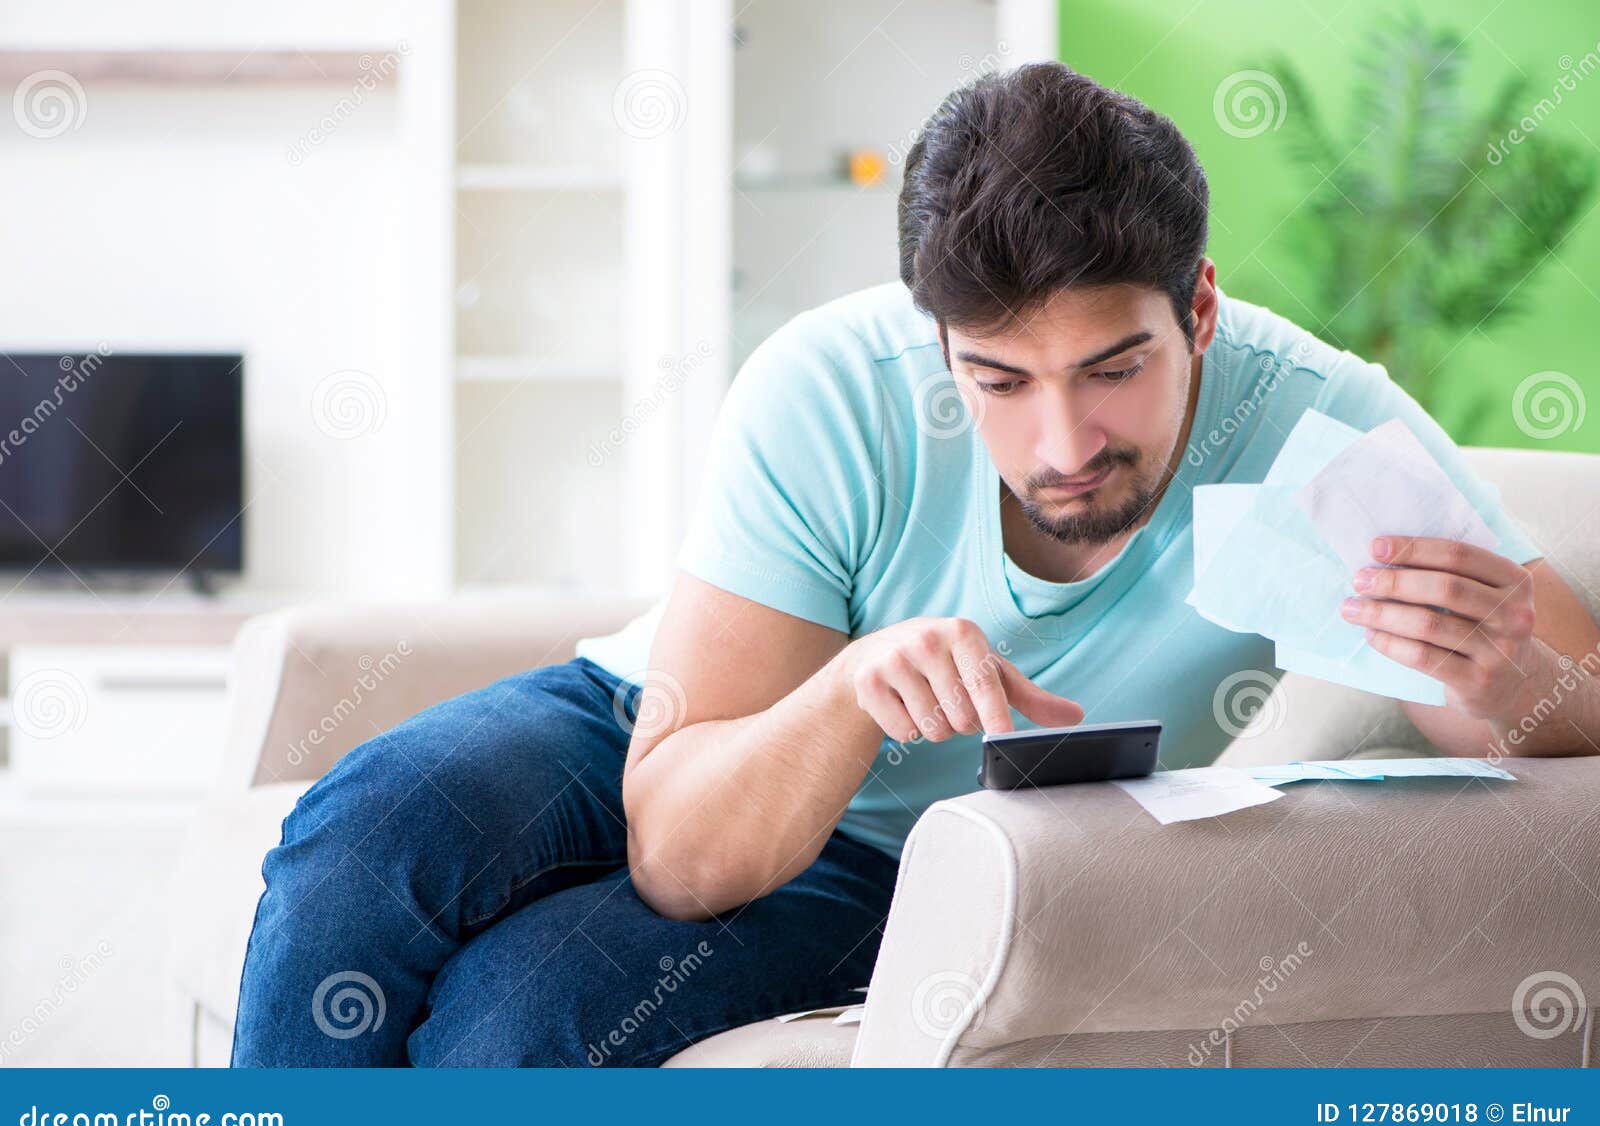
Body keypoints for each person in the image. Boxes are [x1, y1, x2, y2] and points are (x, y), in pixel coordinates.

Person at [232, 62, 1600, 1067]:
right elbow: (683, 842)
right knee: (365, 835)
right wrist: (845, 695)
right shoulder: (830, 389)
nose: (1063, 441)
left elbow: (1566, 699)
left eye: (1115, 369)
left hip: (903, 851)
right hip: (666, 724)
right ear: (936, 341)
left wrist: (1506, 670)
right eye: (999, 380)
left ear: (1200, 306)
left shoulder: (1320, 419)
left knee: (522, 1017)